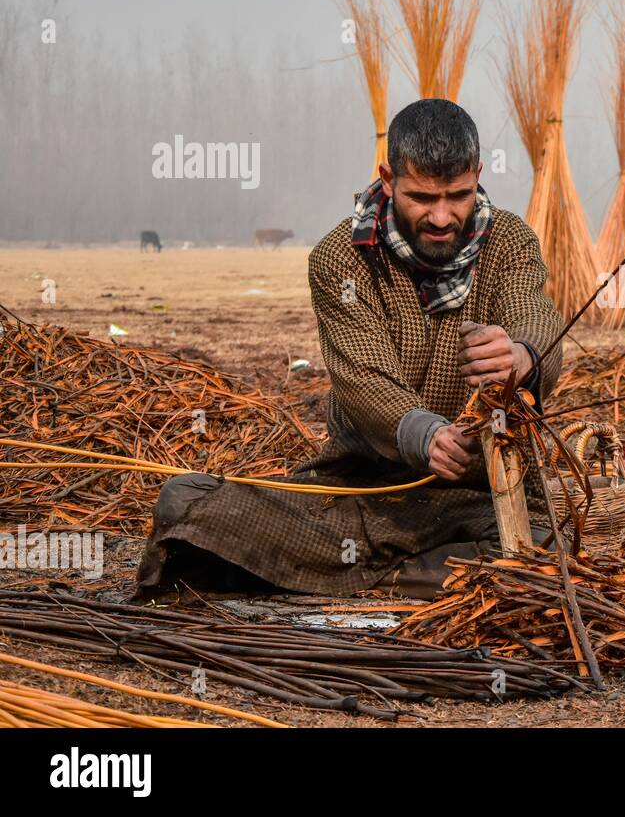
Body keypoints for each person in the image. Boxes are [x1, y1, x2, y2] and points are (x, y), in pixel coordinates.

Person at [137, 99, 563, 599]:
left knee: (543, 540)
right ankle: (418, 576)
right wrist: (425, 435)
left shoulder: (510, 239)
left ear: (478, 176)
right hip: (362, 492)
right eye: (422, 197)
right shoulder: (340, 257)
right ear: (388, 179)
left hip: (480, 494)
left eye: (459, 195)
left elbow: (535, 315)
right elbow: (363, 380)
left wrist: (522, 356)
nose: (442, 216)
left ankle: (338, 575)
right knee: (185, 501)